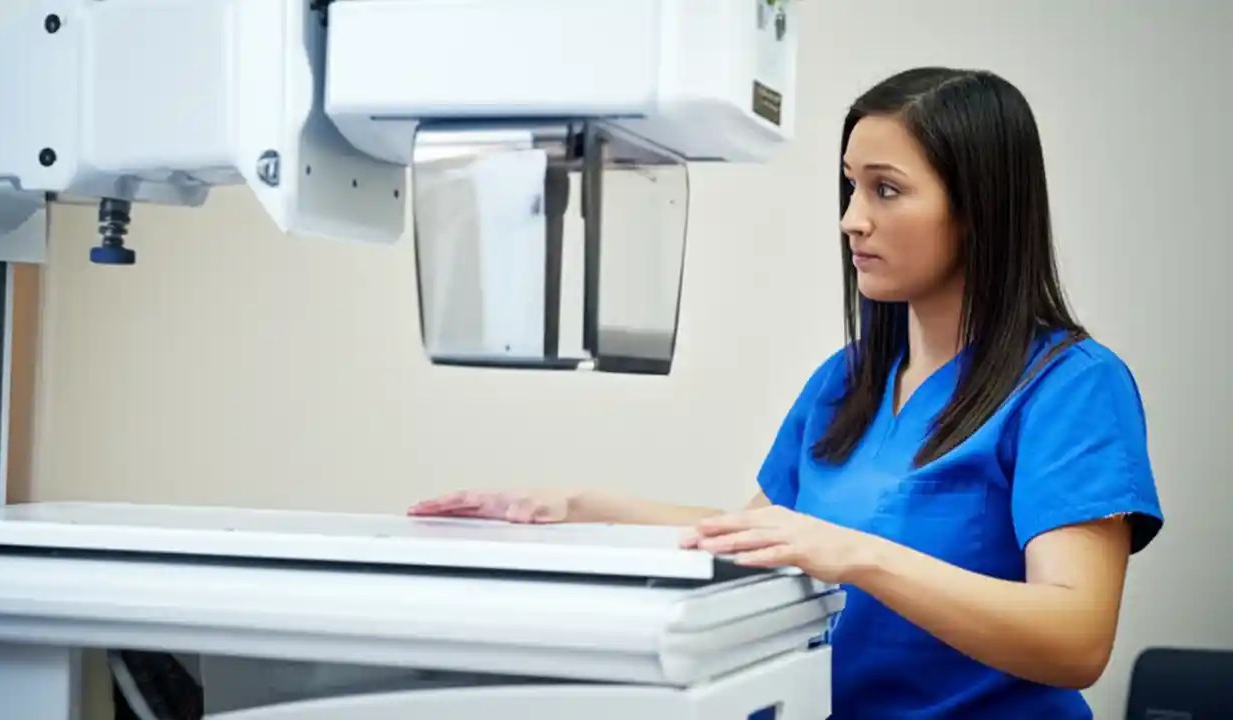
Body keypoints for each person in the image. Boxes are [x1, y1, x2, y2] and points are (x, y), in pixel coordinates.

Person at [407, 67, 1164, 719]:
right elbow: (763, 534)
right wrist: (575, 507)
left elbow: (1075, 638)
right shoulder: (850, 378)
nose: (851, 220)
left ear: (979, 209)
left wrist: (859, 556)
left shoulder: (1070, 387)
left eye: (886, 189)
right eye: (850, 186)